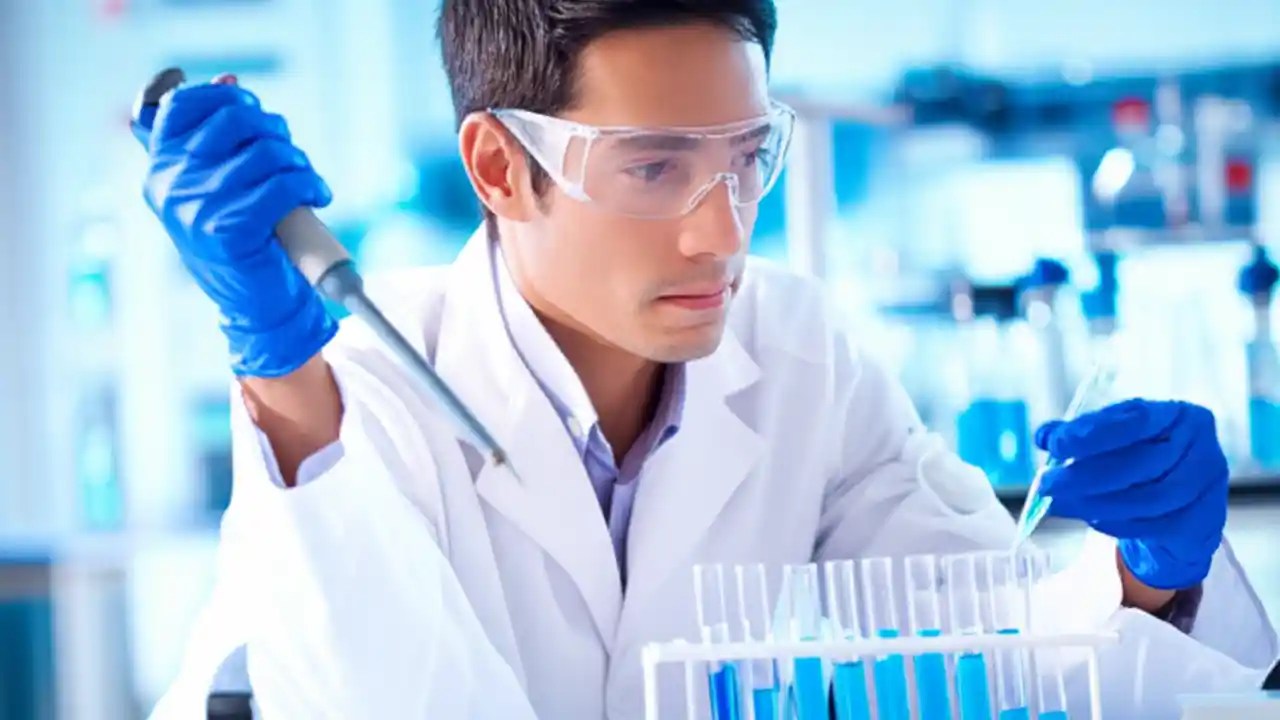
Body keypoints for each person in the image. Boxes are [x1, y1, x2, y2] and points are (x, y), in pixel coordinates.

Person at [133, 1, 1277, 717]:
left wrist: (1150, 570)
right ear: (495, 167)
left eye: (744, 157)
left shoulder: (795, 358)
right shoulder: (365, 384)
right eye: (652, 168)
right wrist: (285, 378)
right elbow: (365, 696)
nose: (723, 229)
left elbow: (997, 644)